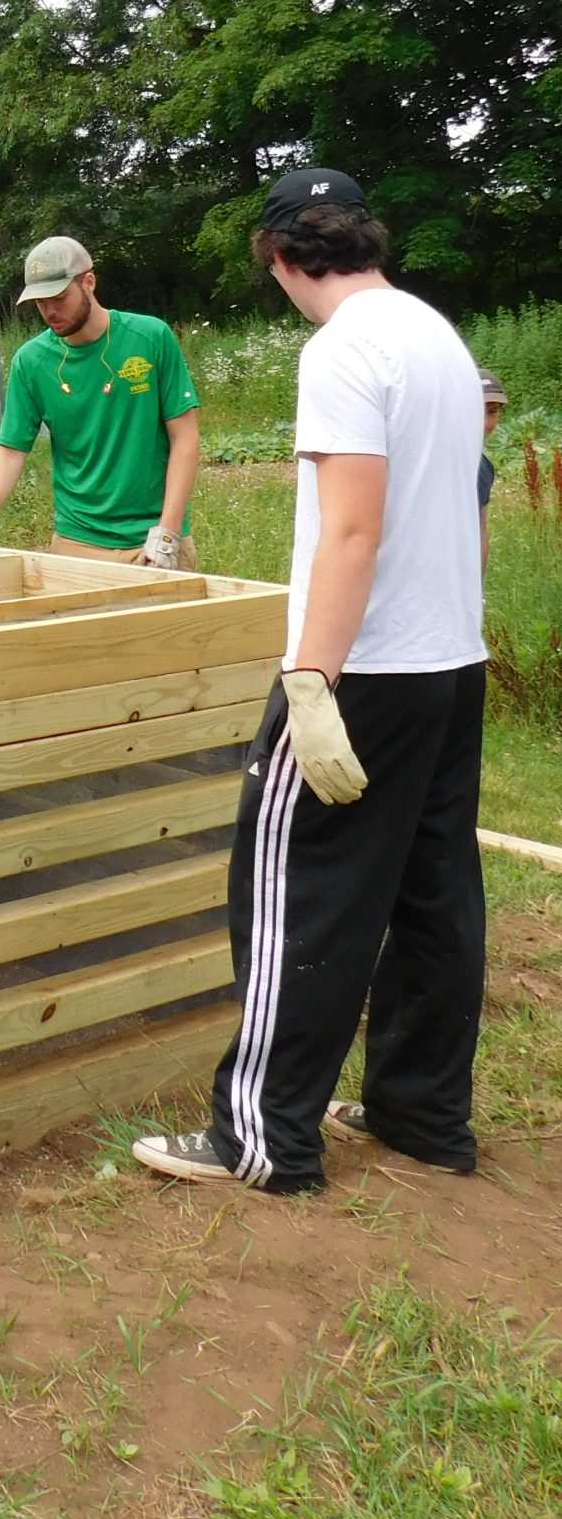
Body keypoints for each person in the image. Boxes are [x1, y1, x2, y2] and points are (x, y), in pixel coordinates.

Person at [131, 168, 489, 1193]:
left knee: (293, 890)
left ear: (282, 258)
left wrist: (311, 682)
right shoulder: (434, 333)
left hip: (365, 671)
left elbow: (352, 529)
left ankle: (262, 1136)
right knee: (433, 892)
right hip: (448, 663)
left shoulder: (342, 349)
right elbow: (465, 503)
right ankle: (421, 1113)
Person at [0, 235, 201, 568]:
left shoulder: (150, 338)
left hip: (155, 539)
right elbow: (11, 450)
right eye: (40, 302)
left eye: (59, 298)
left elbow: (185, 436)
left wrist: (167, 533)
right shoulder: (31, 362)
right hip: (77, 542)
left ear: (88, 282)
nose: (50, 311)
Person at [477, 367, 506, 570]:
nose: (486, 423)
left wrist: (476, 581)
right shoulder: (425, 464)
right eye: (478, 410)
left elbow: (480, 529)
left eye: (492, 411)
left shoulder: (484, 468)